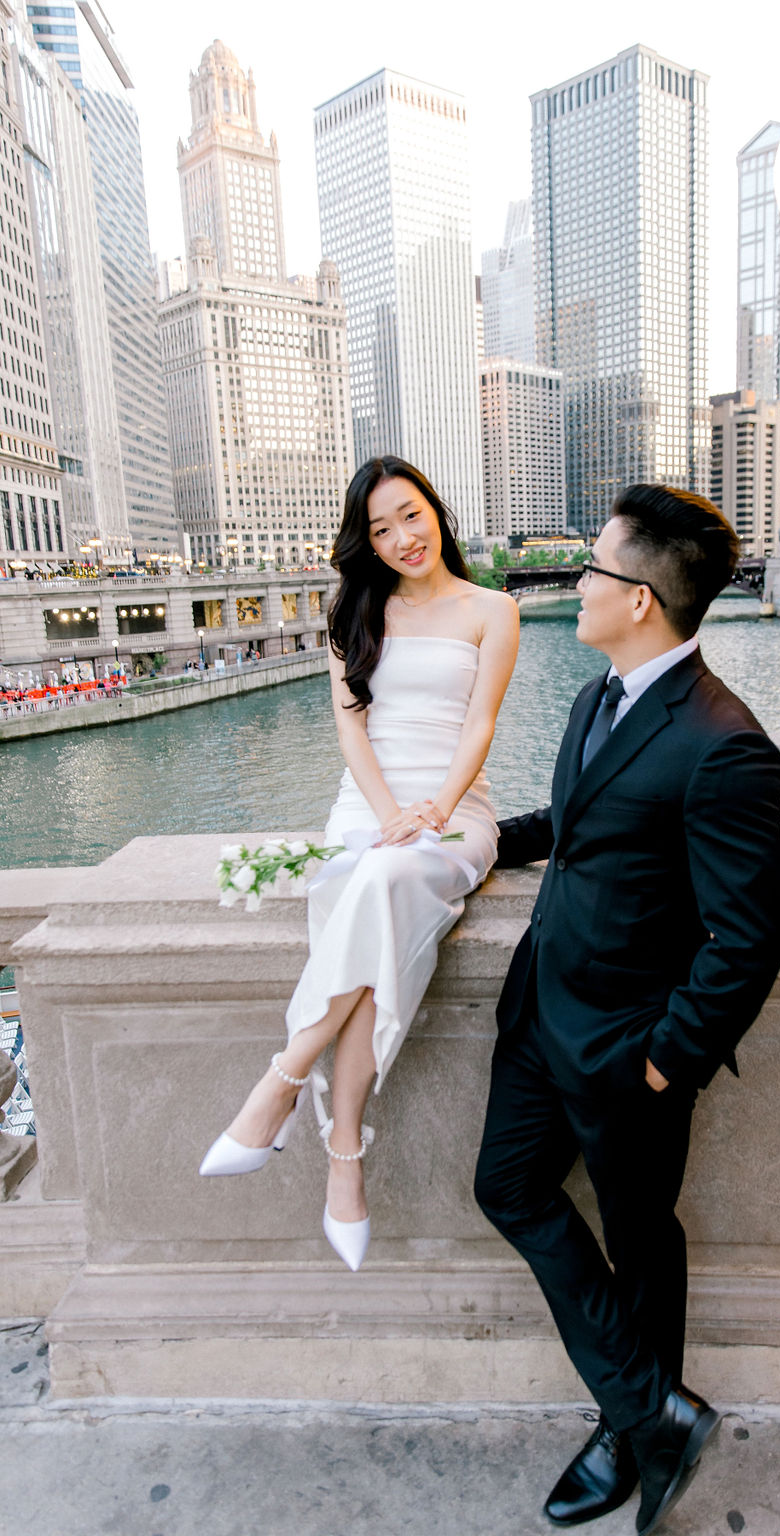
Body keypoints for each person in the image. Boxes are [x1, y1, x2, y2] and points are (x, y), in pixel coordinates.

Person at [474, 485, 780, 1536]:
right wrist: (478, 841)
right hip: (540, 1016)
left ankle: (630, 1429)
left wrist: (666, 1060)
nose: (577, 582)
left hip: (627, 1052)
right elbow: (580, 823)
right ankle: (651, 1408)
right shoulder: (597, 693)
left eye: (593, 567)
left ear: (642, 597)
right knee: (507, 1186)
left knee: (641, 1243)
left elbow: (750, 939)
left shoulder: (725, 742)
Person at [200, 456, 519, 1272]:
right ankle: (344, 1148)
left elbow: (479, 726)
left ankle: (280, 1083)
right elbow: (351, 730)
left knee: (383, 882)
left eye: (411, 515)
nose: (403, 537)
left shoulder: (494, 609)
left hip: (454, 810)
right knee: (378, 899)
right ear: (366, 543)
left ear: (436, 511)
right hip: (367, 807)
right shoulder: (353, 610)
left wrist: (434, 810)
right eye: (381, 529)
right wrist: (386, 817)